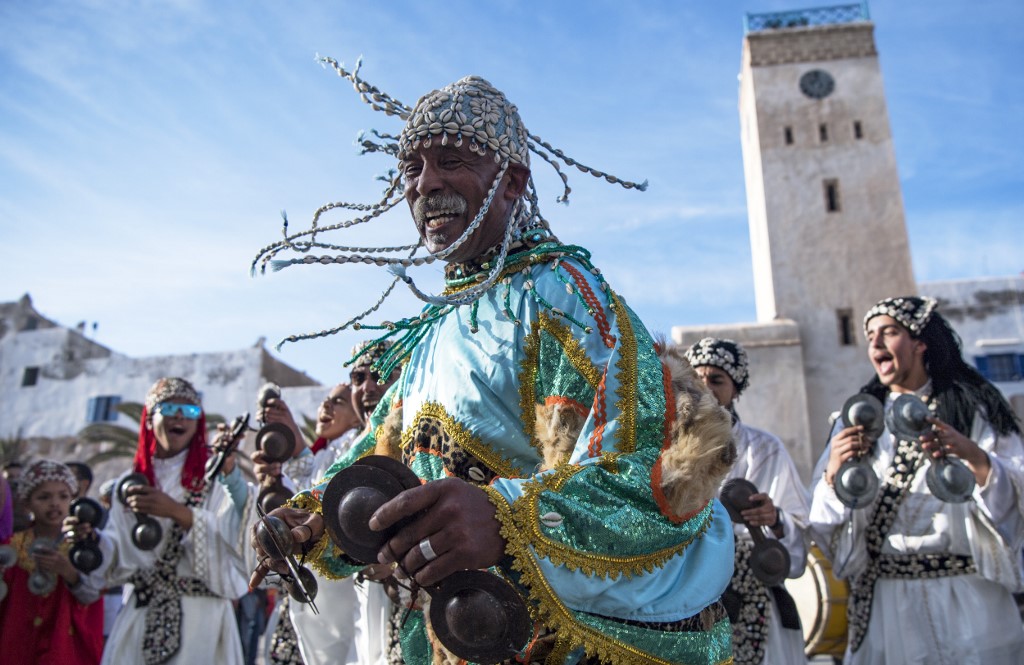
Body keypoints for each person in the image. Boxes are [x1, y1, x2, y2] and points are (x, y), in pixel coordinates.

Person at [251, 64, 737, 664]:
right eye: (412, 168)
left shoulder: (564, 297)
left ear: (511, 182)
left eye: (451, 161)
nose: (425, 184)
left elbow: (657, 473)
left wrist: (506, 517)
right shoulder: (435, 330)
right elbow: (380, 459)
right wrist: (312, 519)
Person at [809, 296, 1024, 664]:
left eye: (889, 332)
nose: (875, 343)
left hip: (968, 599)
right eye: (870, 335)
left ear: (920, 343)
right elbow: (823, 527)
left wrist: (975, 457)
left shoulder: (971, 410)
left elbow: (1016, 487)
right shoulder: (855, 419)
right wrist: (833, 474)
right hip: (888, 607)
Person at [71, 377, 251, 665]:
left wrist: (182, 515)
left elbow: (235, 539)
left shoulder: (213, 478)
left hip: (200, 620)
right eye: (168, 408)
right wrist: (92, 542)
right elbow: (118, 556)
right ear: (149, 418)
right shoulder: (128, 486)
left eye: (190, 411)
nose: (179, 416)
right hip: (140, 616)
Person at [256, 343, 399, 665]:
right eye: (358, 377)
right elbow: (321, 495)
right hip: (359, 605)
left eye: (382, 374)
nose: (369, 387)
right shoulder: (348, 458)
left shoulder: (421, 437)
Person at [684, 337, 810, 665]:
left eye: (717, 379)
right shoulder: (665, 448)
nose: (706, 386)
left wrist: (775, 517)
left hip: (753, 594)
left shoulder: (764, 448)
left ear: (736, 389)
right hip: (684, 593)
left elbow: (798, 526)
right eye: (697, 378)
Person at [0, 459, 104, 664]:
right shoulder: (11, 547)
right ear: (26, 503)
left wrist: (68, 572)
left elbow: (92, 596)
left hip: (66, 647)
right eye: (44, 497)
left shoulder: (84, 547)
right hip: (19, 646)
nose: (55, 503)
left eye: (63, 496)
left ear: (73, 499)